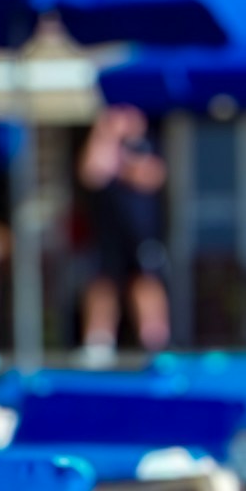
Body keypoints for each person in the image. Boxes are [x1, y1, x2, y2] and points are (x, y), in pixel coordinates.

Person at [75, 100, 169, 356]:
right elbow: (92, 172)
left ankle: (154, 342)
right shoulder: (103, 138)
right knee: (103, 284)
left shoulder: (149, 139)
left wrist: (120, 168)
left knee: (146, 283)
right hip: (108, 230)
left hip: (141, 229)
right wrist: (106, 134)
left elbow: (152, 176)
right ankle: (98, 344)